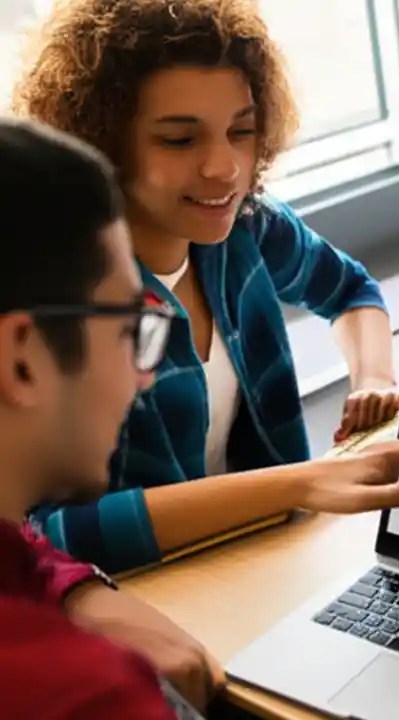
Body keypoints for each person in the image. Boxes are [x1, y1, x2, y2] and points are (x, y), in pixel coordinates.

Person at [12, 0, 399, 573]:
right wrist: (298, 484)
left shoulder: (247, 228)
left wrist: (374, 378)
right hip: (153, 587)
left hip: (268, 556)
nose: (224, 167)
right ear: (102, 144)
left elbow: (350, 290)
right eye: (180, 140)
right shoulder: (64, 297)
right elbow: (49, 534)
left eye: (240, 132)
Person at [0, 117, 216, 718]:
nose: (143, 376)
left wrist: (75, 587)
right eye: (128, 327)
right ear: (22, 360)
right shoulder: (91, 696)